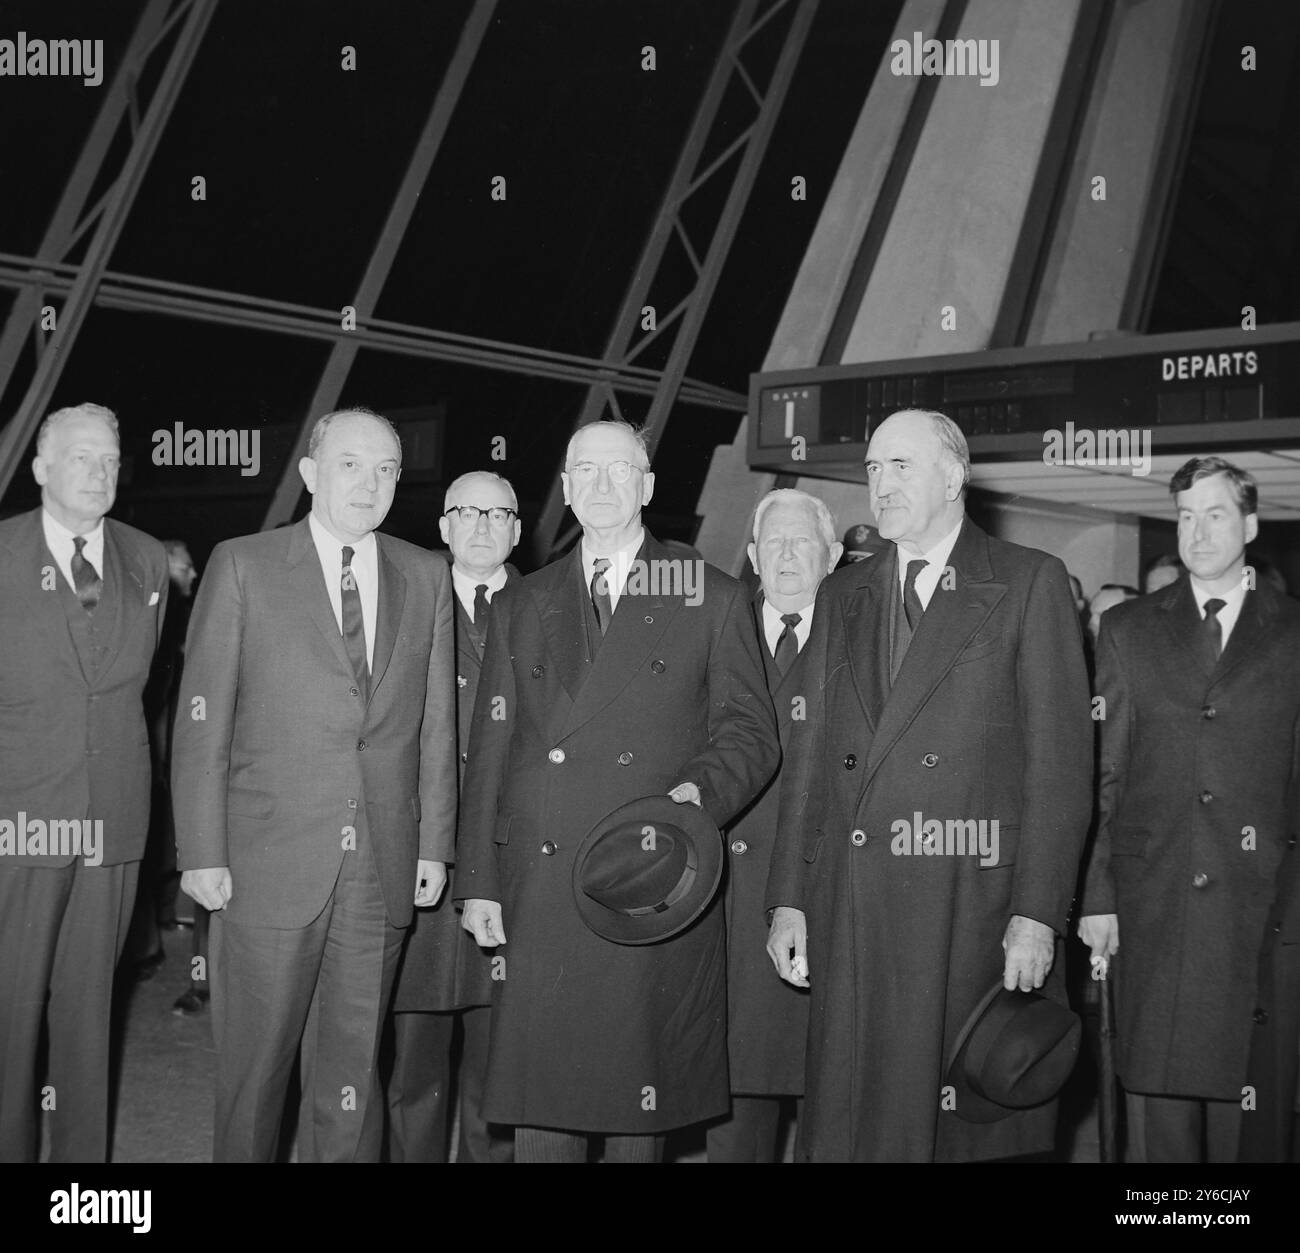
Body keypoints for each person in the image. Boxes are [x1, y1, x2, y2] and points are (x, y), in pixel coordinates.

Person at [766, 408, 1092, 1161]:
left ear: (953, 475)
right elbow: (811, 759)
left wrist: (1038, 912)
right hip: (851, 907)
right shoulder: (843, 594)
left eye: (900, 466)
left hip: (967, 910)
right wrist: (788, 898)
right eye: (873, 469)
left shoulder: (1026, 581)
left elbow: (1060, 768)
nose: (881, 484)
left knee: (949, 1132)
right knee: (855, 1125)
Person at [456, 418, 779, 1162]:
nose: (601, 486)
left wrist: (695, 799)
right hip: (541, 886)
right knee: (544, 1116)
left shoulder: (709, 593)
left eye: (619, 471)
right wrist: (479, 880)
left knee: (639, 1114)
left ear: (649, 486)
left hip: (649, 879)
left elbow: (751, 734)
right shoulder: (522, 601)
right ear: (566, 489)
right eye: (586, 473)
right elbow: (494, 748)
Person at [171, 406, 458, 1162]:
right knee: (255, 1077)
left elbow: (436, 725)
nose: (371, 483)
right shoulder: (244, 565)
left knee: (353, 1076)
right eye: (351, 464)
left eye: (387, 469)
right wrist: (201, 850)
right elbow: (203, 721)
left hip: (380, 867)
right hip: (267, 864)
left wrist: (433, 845)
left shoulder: (426, 574)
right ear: (308, 474)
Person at [1080, 456, 1300, 1162]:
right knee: (1160, 1148)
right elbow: (1104, 775)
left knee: (1255, 1136)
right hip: (1157, 916)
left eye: (1215, 514)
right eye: (1184, 515)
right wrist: (1097, 897)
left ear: (1251, 523)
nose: (1197, 531)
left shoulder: (1293, 633)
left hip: (1265, 921)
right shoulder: (1127, 629)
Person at [0, 403, 169, 1161]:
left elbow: (131, 685)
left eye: (110, 458)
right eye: (81, 457)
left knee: (87, 1018)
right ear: (40, 469)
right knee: (9, 1017)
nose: (100, 471)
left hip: (113, 826)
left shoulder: (147, 559)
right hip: (18, 828)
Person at [386, 471, 520, 1163]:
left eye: (498, 514)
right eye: (465, 512)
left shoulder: (551, 606)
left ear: (517, 530)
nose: (481, 526)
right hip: (421, 864)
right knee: (413, 1068)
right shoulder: (403, 599)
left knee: (497, 1078)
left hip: (510, 869)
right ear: (442, 527)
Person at [706, 490, 838, 1162]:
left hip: (823, 903)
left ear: (833, 557)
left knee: (832, 1106)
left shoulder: (863, 644)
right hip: (731, 909)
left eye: (803, 542)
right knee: (738, 1117)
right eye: (774, 544)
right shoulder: (711, 633)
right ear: (752, 557)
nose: (787, 555)